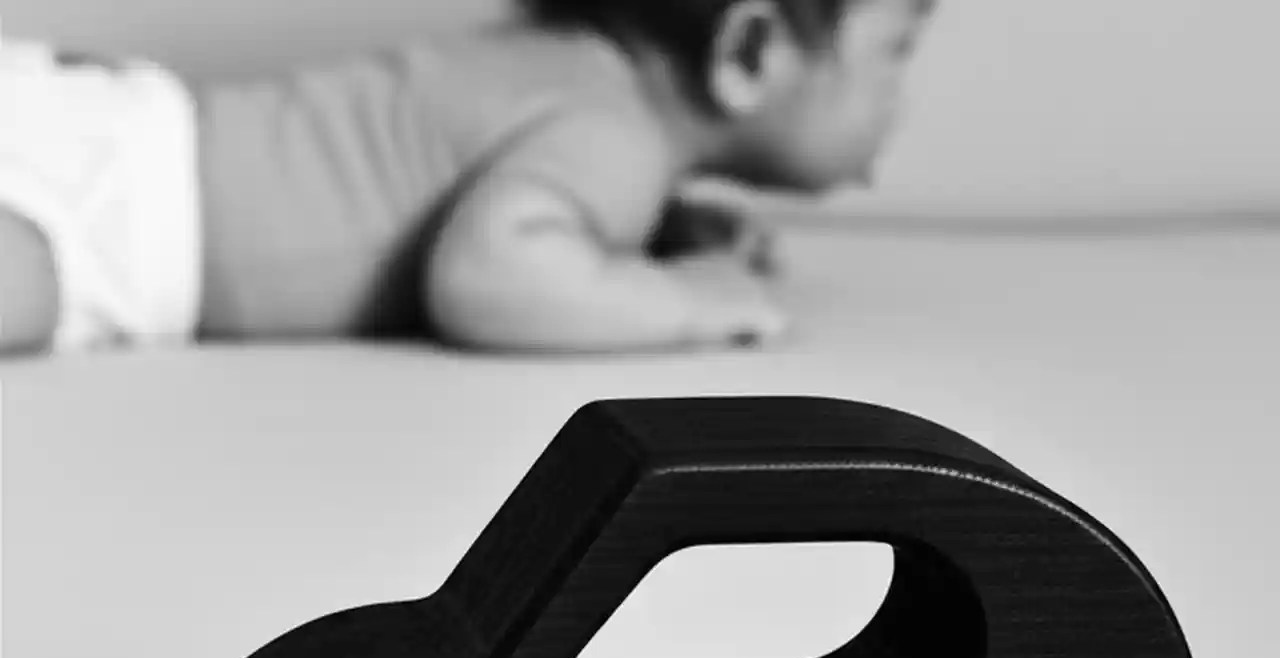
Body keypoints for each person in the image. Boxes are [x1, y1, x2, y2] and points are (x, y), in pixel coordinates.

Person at [0, 0, 934, 357]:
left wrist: (659, 229)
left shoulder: (567, 85)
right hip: (117, 227)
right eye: (897, 49)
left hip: (107, 126)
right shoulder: (613, 136)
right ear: (752, 50)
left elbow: (519, 200)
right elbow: (491, 280)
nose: (905, 95)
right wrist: (680, 300)